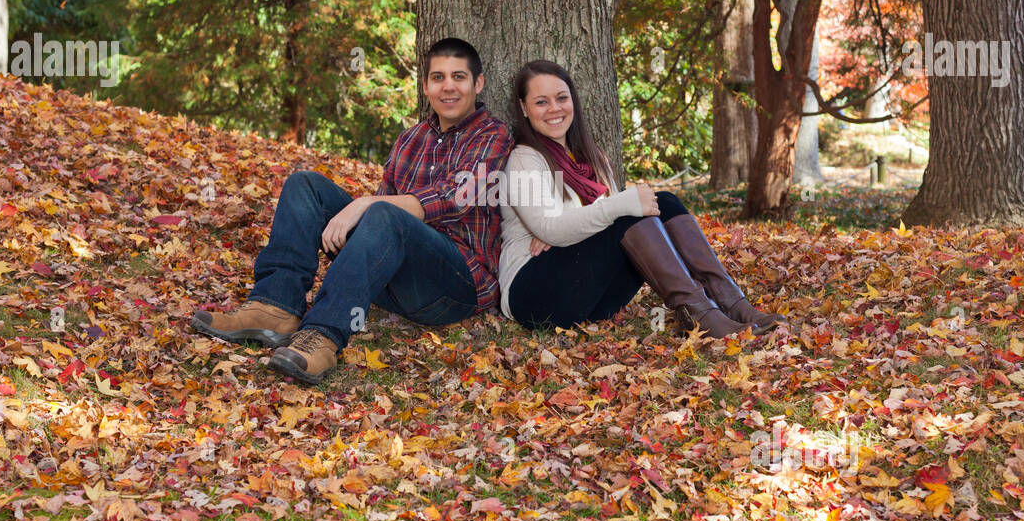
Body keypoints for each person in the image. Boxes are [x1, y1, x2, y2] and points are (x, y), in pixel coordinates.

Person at [191, 38, 514, 385]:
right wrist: (361, 218)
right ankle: (274, 308)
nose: (448, 86)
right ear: (426, 86)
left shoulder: (492, 135)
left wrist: (365, 204)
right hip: (396, 280)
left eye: (459, 77)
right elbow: (380, 226)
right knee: (306, 185)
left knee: (383, 213)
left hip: (453, 288)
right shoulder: (411, 138)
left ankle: (322, 336)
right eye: (438, 77)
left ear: (478, 84)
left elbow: (454, 197)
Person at [498, 59, 783, 336]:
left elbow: (574, 227)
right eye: (541, 102)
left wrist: (563, 225)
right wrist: (557, 228)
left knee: (665, 203)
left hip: (589, 297)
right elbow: (560, 227)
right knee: (627, 214)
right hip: (534, 295)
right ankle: (700, 316)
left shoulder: (591, 157)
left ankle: (732, 303)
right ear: (524, 108)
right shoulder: (525, 160)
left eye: (561, 97)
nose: (554, 109)